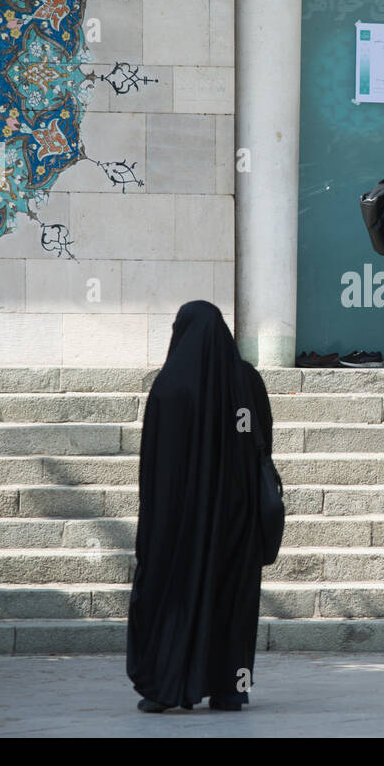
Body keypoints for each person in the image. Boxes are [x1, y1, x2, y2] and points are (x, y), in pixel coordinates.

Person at [128, 301, 272, 713]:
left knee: (174, 593)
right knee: (231, 600)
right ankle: (229, 687)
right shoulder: (247, 383)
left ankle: (165, 686)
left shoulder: (169, 389)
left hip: (177, 524)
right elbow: (263, 447)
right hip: (236, 521)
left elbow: (153, 469)